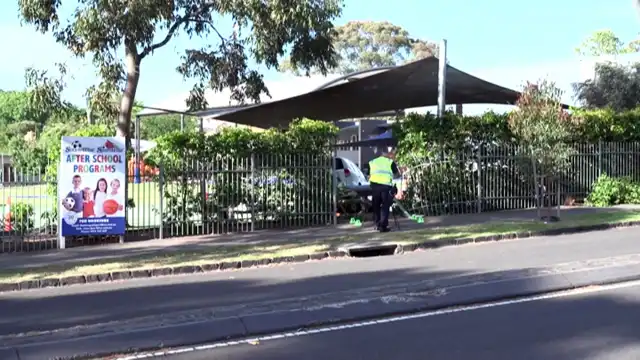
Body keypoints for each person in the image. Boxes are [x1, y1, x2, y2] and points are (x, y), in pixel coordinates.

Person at [368, 148, 401, 232]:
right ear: (388, 154)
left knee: (376, 206)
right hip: (386, 187)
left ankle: (377, 224)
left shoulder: (372, 162)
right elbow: (397, 175)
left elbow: (369, 175)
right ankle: (383, 226)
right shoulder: (390, 162)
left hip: (375, 187)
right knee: (385, 206)